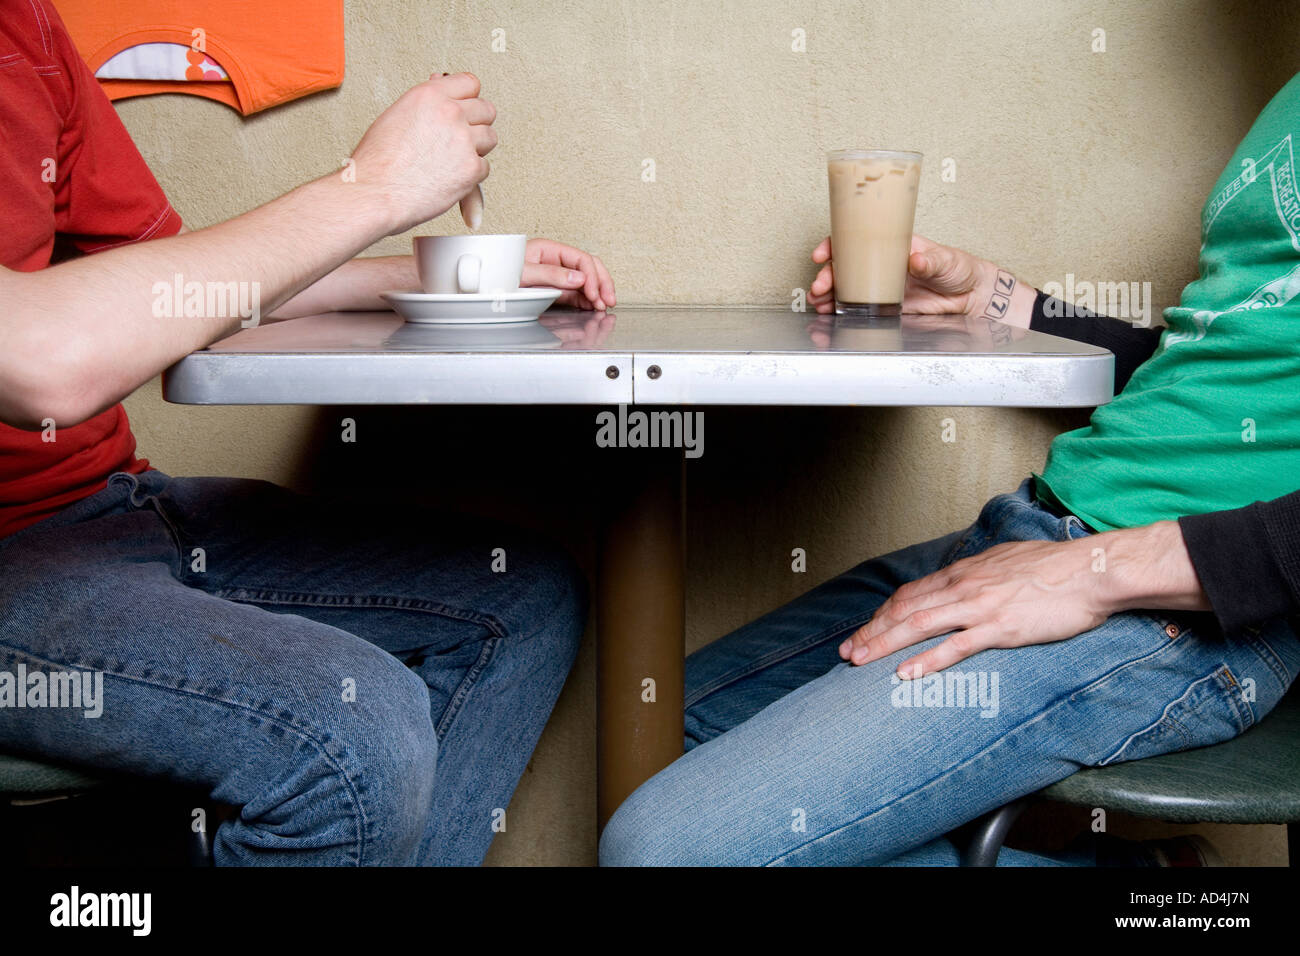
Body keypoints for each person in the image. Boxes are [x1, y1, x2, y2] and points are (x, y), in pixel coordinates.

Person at [599, 73, 1300, 866]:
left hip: (1189, 606)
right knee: (649, 729)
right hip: (1037, 530)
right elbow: (1218, 361)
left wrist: (1096, 573)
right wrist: (1001, 303)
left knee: (661, 851)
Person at [0, 0, 615, 865]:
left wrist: (432, 277)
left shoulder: (26, 24)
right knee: (352, 738)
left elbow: (175, 287)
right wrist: (375, 186)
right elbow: (42, 361)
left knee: (523, 601)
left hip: (108, 508)